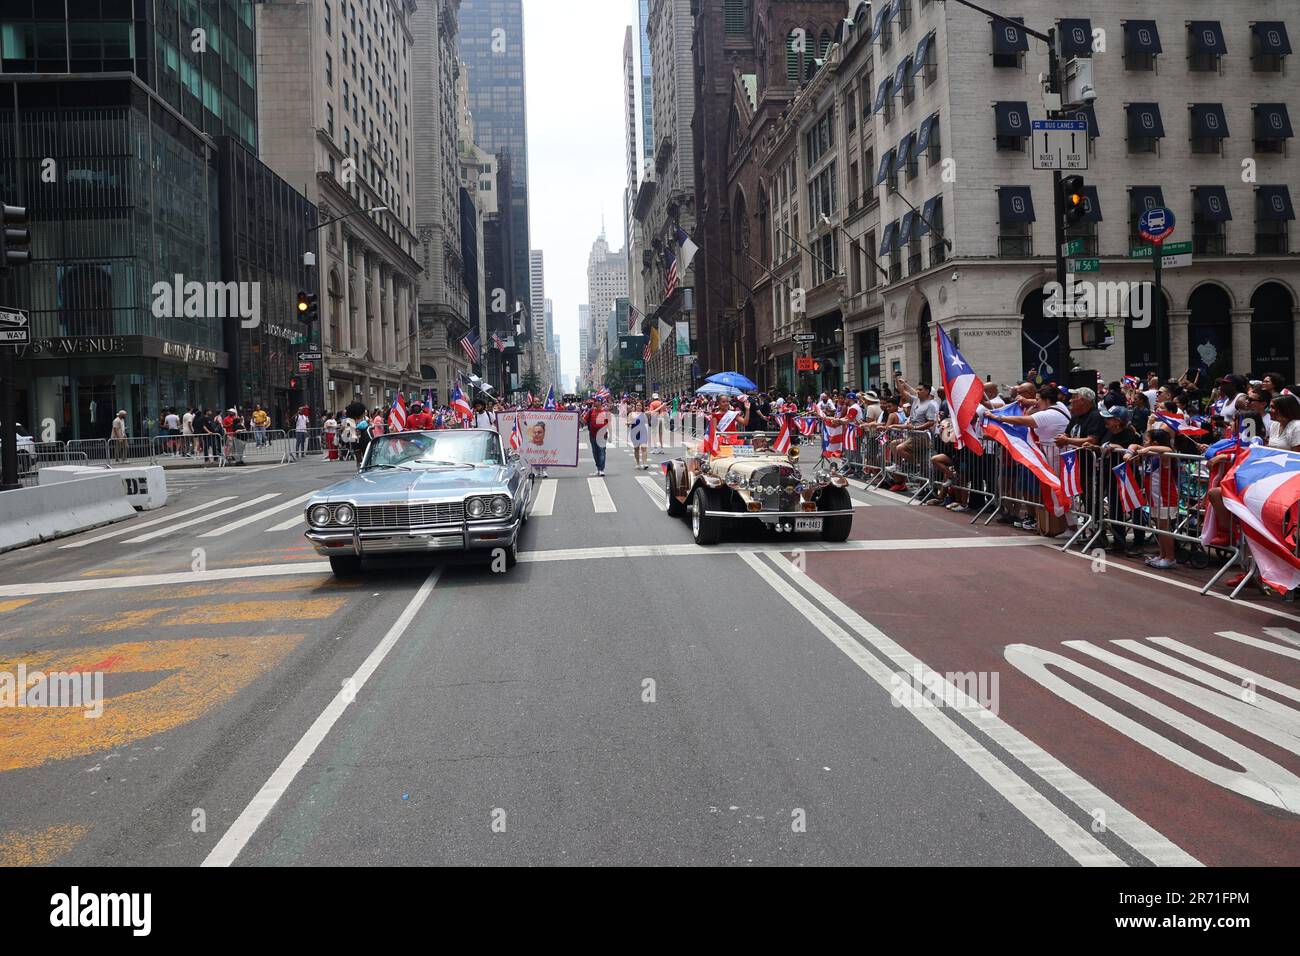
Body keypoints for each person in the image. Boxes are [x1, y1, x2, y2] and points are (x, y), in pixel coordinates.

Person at [582, 397, 610, 477]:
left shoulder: (605, 412)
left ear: (600, 402)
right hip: (593, 435)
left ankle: (601, 469)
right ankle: (598, 467)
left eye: (596, 401)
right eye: (594, 401)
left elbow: (609, 424)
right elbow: (584, 421)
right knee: (595, 452)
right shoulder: (591, 411)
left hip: (602, 436)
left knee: (601, 452)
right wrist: (579, 417)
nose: (594, 402)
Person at [629, 400, 651, 469]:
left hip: (643, 432)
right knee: (636, 449)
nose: (638, 406)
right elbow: (628, 421)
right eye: (637, 405)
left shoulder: (644, 414)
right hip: (634, 433)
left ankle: (645, 463)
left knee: (644, 447)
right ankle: (638, 463)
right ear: (635, 406)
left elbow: (648, 421)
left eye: (640, 405)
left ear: (642, 407)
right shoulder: (631, 414)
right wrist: (629, 423)